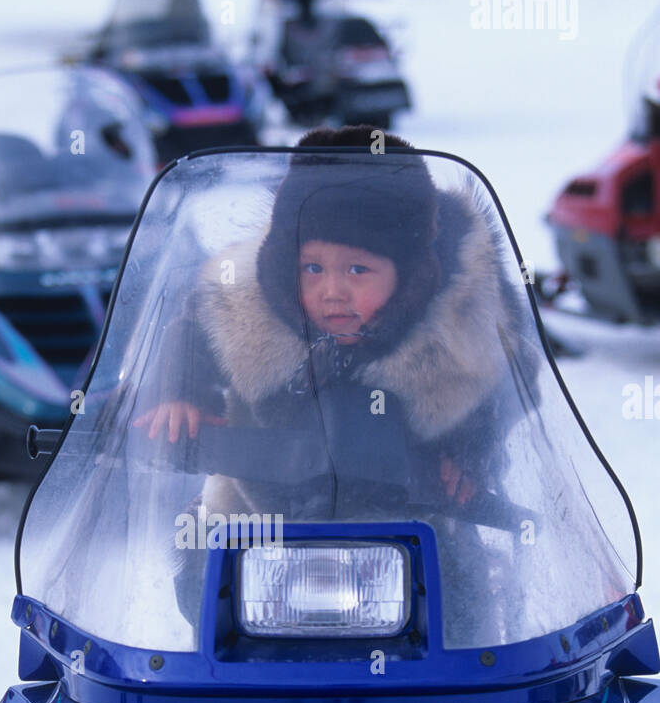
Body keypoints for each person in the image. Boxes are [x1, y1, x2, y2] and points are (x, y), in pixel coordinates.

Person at [133, 126, 530, 634]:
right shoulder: (241, 304)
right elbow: (194, 331)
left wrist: (472, 452)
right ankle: (209, 685)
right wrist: (180, 393)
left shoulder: (462, 327)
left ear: (409, 274)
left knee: (460, 599)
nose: (331, 292)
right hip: (262, 508)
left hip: (413, 513)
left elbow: (511, 390)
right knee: (206, 568)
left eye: (358, 270)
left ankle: (469, 687)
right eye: (313, 267)